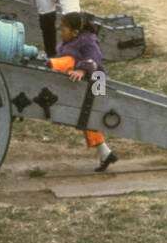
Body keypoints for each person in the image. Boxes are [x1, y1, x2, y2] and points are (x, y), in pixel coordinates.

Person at [48, 13, 117, 171]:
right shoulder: (72, 41)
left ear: (75, 32)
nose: (60, 32)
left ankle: (105, 152)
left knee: (91, 115)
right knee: (87, 117)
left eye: (62, 30)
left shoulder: (88, 42)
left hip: (97, 81)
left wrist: (82, 70)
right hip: (90, 81)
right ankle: (105, 153)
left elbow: (93, 59)